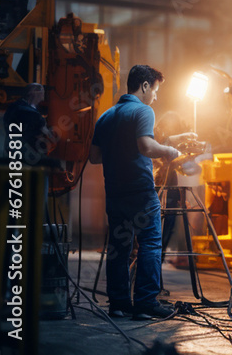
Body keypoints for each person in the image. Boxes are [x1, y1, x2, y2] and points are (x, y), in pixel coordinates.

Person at [89, 65, 193, 320]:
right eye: (155, 90)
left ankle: (119, 304)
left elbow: (94, 157)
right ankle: (146, 302)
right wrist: (170, 151)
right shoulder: (143, 110)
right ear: (145, 86)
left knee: (119, 247)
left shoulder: (106, 116)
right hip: (140, 191)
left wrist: (121, 152)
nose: (155, 97)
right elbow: (146, 146)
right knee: (150, 243)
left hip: (115, 192)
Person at [2, 83, 48, 165]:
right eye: (41, 96)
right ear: (34, 95)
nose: (42, 99)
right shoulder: (30, 113)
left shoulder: (14, 107)